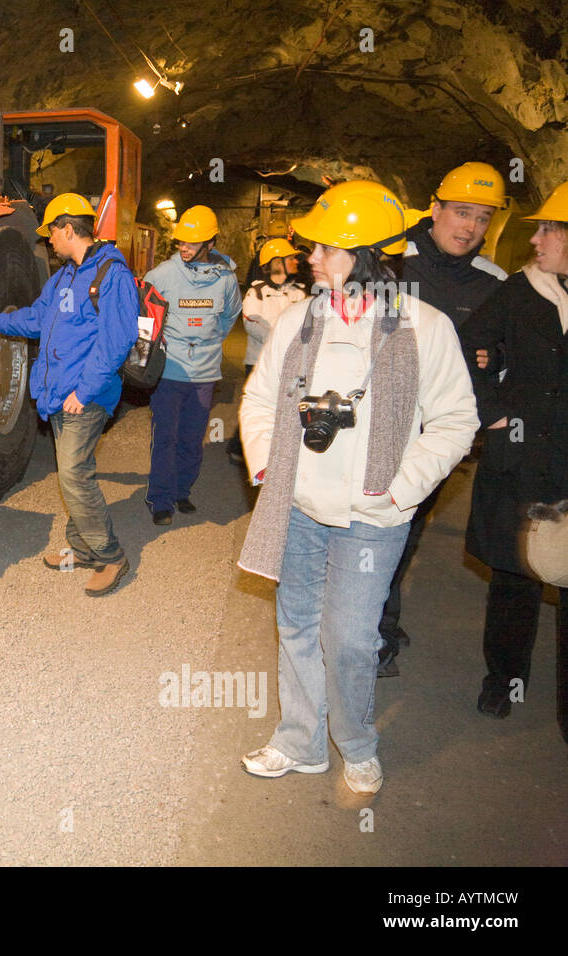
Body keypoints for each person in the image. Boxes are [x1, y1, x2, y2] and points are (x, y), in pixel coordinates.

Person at [237, 181, 479, 795]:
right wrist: (268, 467)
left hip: (373, 515)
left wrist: (402, 486)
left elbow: (456, 420)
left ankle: (357, 744)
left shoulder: (425, 326)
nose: (310, 258)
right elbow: (260, 398)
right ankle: (301, 743)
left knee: (348, 637)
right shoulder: (297, 320)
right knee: (294, 624)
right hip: (298, 507)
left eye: (326, 249)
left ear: (369, 255)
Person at [375, 162, 508, 677]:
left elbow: (506, 358)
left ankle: (379, 619)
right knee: (372, 526)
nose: (470, 227)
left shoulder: (494, 282)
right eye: (461, 212)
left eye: (482, 217)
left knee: (405, 529)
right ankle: (374, 626)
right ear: (435, 209)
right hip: (376, 420)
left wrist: (491, 361)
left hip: (437, 436)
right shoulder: (389, 259)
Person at [0, 192, 139, 596]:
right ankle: (82, 547)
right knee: (72, 475)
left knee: (75, 475)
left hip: (85, 395)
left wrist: (83, 391)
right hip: (58, 394)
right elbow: (37, 318)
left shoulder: (111, 275)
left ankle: (110, 556)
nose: (48, 242)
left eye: (51, 234)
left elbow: (117, 341)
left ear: (68, 230)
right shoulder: (64, 277)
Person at [459, 180, 568, 742]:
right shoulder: (518, 292)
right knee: (515, 574)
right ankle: (504, 679)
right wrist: (494, 410)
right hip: (523, 458)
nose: (539, 238)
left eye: (552, 229)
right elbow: (469, 346)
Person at [143, 205, 242, 525]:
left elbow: (229, 317)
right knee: (166, 437)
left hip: (205, 374)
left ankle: (181, 489)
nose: (182, 246)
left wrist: (207, 344)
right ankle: (160, 499)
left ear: (209, 245)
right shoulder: (162, 276)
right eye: (180, 241)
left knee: (191, 437)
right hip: (169, 373)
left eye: (191, 242)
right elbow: (145, 318)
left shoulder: (225, 280)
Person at [228, 238, 309, 465]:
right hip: (259, 362)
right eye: (290, 257)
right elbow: (252, 324)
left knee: (284, 407)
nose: (295, 261)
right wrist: (283, 340)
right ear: (276, 262)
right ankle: (240, 446)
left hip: (291, 363)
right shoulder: (257, 293)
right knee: (259, 406)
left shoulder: (299, 294)